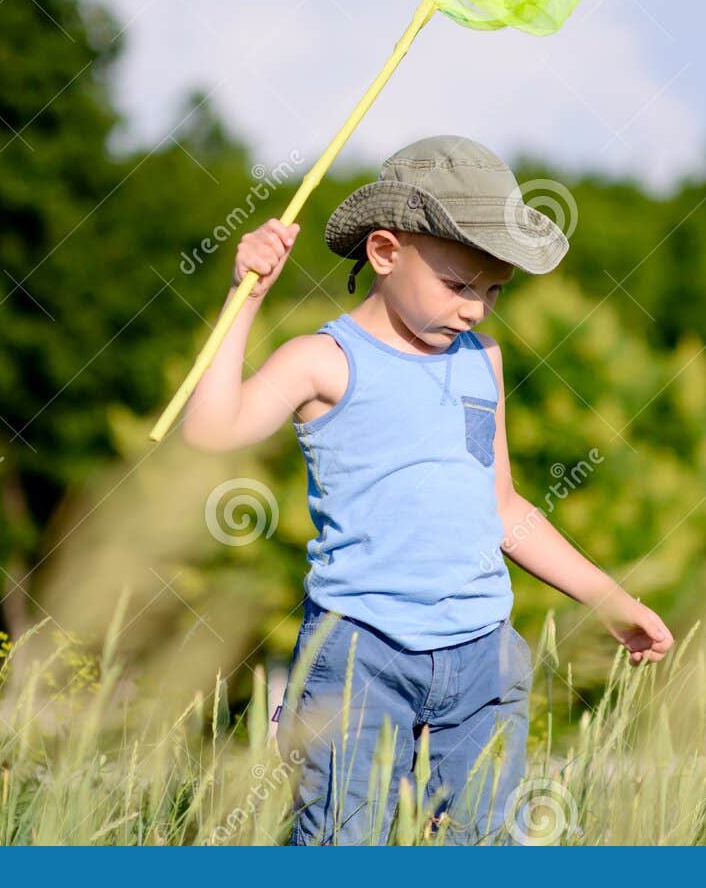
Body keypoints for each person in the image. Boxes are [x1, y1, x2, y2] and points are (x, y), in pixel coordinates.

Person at [181, 135, 673, 845]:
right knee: (340, 842)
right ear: (385, 252)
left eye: (494, 291)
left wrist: (610, 598)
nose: (476, 308)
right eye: (459, 284)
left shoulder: (483, 359)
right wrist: (245, 296)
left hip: (483, 652)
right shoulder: (324, 361)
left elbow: (502, 508)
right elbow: (212, 429)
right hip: (359, 649)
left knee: (476, 845)